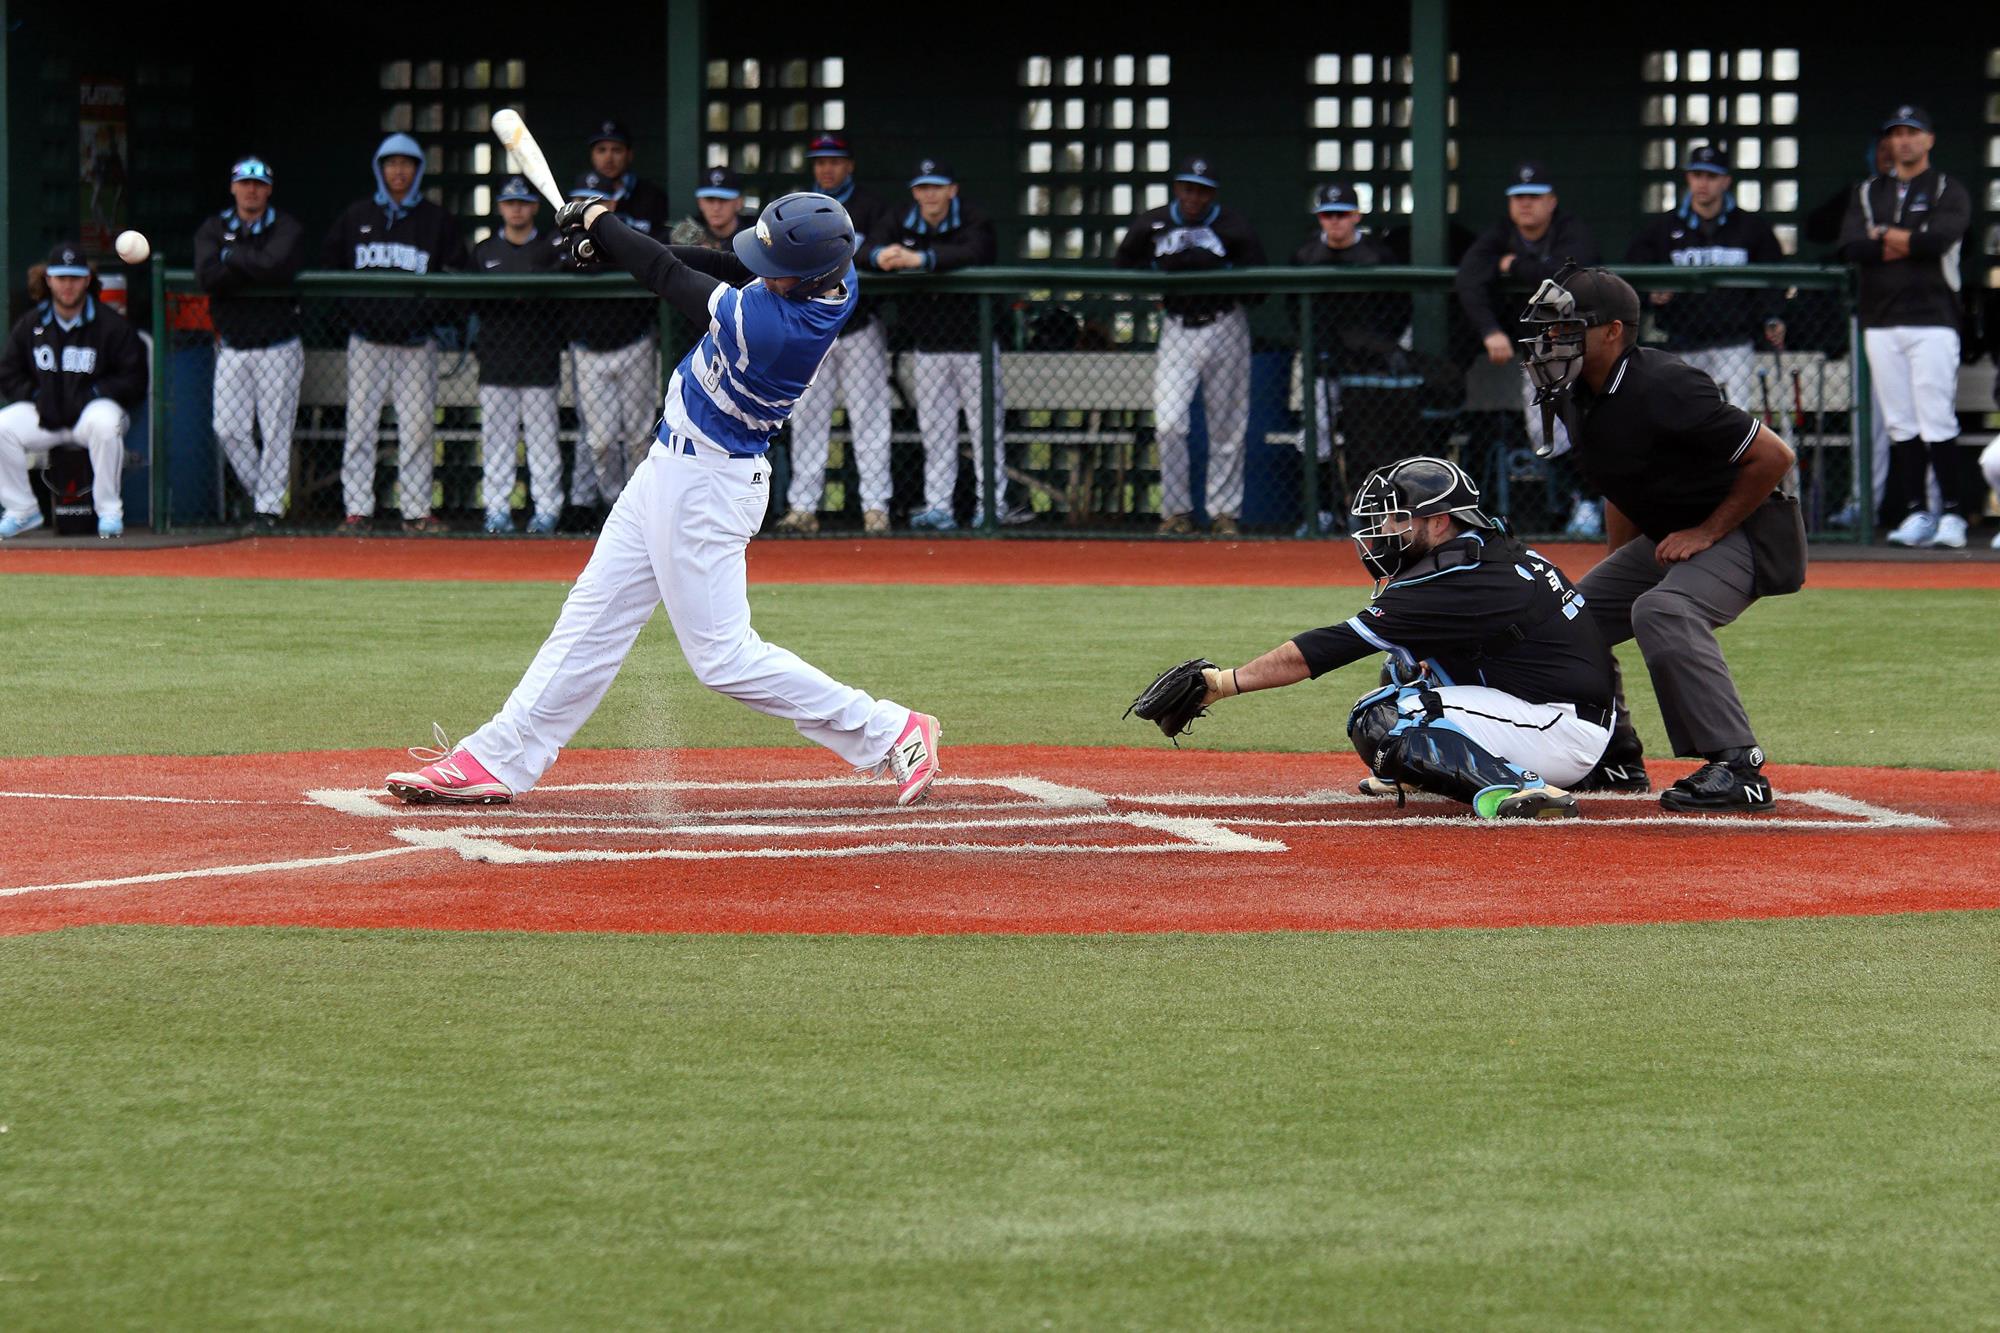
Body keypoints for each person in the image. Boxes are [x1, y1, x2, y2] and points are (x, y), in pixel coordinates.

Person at [385, 191, 943, 808]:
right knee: (589, 620)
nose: (764, 270)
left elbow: (667, 276)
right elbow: (724, 264)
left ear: (808, 277)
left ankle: (889, 729)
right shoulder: (831, 275)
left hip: (707, 486)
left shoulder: (773, 327)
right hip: (669, 468)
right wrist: (613, 248)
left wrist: (602, 222)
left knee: (723, 659)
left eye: (777, 266)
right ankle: (497, 757)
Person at [1163, 456, 1610, 819]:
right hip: (1553, 709)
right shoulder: (1481, 553)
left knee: (1386, 716)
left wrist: (1224, 683)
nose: (1384, 531)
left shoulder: (1457, 578)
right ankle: (1434, 770)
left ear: (1439, 522)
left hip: (1559, 728)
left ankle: (1516, 787)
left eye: (1398, 518)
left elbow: (1326, 648)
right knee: (1400, 669)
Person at [1521, 265, 1805, 813]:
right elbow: (1620, 487)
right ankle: (1615, 756)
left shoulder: (1664, 384)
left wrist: (1707, 530)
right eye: (1549, 328)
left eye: (1566, 327)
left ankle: (1738, 767)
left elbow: (1774, 456)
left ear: (1613, 331)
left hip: (1750, 531)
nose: (1551, 339)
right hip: (1670, 533)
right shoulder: (1577, 391)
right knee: (1570, 618)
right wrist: (1616, 573)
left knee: (1662, 610)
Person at [1838, 105, 1976, 549]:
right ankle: (1917, 512)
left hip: (1934, 319)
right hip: (1880, 320)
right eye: (1897, 133)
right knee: (1900, 423)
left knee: (1936, 417)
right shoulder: (1867, 191)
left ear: (1929, 139)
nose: (1904, 140)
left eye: (1912, 132)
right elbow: (1852, 247)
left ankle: (1952, 513)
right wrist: (1909, 241)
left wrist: (1884, 235)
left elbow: (1938, 241)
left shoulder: (1947, 187)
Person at [322, 133, 467, 533]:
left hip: (416, 343)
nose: (398, 171)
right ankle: (357, 509)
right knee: (360, 426)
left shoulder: (436, 220)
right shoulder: (357, 216)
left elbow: (456, 276)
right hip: (366, 342)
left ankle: (416, 510)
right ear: (380, 169)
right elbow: (329, 272)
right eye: (391, 163)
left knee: (418, 427)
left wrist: (428, 319)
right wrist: (352, 317)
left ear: (417, 170)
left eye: (406, 163)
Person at [1113, 155, 1266, 536]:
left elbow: (1259, 288)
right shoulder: (1153, 223)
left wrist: (1220, 270)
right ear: (1176, 189)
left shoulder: (1233, 225)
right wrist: (1159, 273)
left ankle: (1224, 512)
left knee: (1227, 425)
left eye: (1202, 191)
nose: (1194, 197)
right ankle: (1176, 512)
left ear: (1212, 194)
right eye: (1187, 189)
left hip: (1224, 323)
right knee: (1168, 422)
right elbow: (1121, 269)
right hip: (1177, 326)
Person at [1454, 161, 1602, 536]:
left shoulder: (1571, 229)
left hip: (1585, 343)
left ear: (1551, 201)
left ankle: (1596, 500)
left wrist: (1515, 265)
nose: (1526, 204)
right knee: (1545, 433)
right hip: (1539, 349)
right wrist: (1490, 330)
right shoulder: (1500, 233)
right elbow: (1468, 278)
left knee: (1592, 427)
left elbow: (1566, 273)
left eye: (1534, 196)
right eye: (1519, 197)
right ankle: (1585, 499)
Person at [875, 158, 1016, 530]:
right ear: (914, 192)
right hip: (929, 344)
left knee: (986, 433)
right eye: (923, 188)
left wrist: (921, 259)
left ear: (952, 190)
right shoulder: (901, 218)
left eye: (937, 187)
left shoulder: (974, 218)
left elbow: (975, 252)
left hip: (975, 345)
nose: (930, 195)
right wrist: (880, 256)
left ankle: (992, 505)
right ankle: (939, 506)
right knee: (936, 433)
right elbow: (867, 246)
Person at [778, 134, 897, 536]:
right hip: (812, 329)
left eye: (834, 160)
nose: (826, 168)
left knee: (870, 419)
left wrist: (843, 251)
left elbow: (879, 252)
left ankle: (876, 506)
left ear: (849, 165)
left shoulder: (872, 205)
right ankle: (803, 507)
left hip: (858, 327)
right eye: (820, 161)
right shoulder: (798, 205)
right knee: (808, 418)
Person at [561, 121, 672, 528]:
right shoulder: (567, 224)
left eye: (616, 149)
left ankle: (642, 508)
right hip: (587, 340)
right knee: (600, 439)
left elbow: (670, 245)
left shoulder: (649, 200)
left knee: (640, 435)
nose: (609, 157)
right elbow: (553, 262)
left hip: (636, 335)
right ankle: (615, 504)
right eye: (601, 149)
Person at [0, 242, 149, 539]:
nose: (67, 285)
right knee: (2, 427)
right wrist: (36, 396)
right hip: (47, 417)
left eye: (75, 278)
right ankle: (21, 509)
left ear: (87, 280)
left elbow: (134, 379)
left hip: (89, 416)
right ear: (48, 279)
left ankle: (109, 511)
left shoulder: (111, 325)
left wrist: (93, 394)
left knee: (106, 424)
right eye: (61, 278)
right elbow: (8, 373)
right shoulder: (31, 324)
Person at [1624, 144, 1787, 411]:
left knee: (1733, 416)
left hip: (1734, 342)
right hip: (1681, 341)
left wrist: (1772, 316)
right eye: (1697, 175)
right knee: (1683, 416)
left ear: (1726, 181)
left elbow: (1773, 279)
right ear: (1688, 178)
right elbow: (1632, 275)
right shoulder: (1663, 228)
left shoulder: (1751, 227)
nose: (1703, 183)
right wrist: (1651, 295)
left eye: (1711, 176)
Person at [194, 155, 306, 530]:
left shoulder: (286, 226)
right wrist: (252, 265)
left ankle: (268, 509)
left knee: (275, 431)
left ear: (269, 190)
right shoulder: (213, 227)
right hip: (233, 345)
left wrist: (231, 258)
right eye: (245, 183)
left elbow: (277, 266)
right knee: (227, 427)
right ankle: (263, 494)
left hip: (278, 344)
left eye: (259, 184)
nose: (251, 190)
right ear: (233, 187)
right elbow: (208, 276)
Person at [1290, 181, 1403, 534]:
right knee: (1317, 433)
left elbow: (1400, 309)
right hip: (1322, 359)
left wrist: (1377, 346)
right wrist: (1316, 346)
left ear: (1356, 216)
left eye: (1341, 214)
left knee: (1368, 434)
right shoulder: (1305, 255)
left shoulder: (1379, 255)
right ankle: (1322, 509)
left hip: (1370, 363)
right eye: (1328, 215)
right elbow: (1294, 311)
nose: (1335, 221)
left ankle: (1371, 512)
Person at [471, 176, 566, 535]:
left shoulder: (549, 249)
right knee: (497, 443)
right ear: (500, 207)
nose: (516, 209)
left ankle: (547, 512)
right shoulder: (484, 251)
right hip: (496, 360)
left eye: (523, 202)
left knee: (543, 445)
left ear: (535, 207)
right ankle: (496, 511)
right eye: (510, 202)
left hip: (540, 360)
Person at [670, 167, 751, 249]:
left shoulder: (752, 237)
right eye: (709, 200)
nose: (716, 208)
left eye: (724, 200)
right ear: (700, 203)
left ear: (739, 203)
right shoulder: (688, 234)